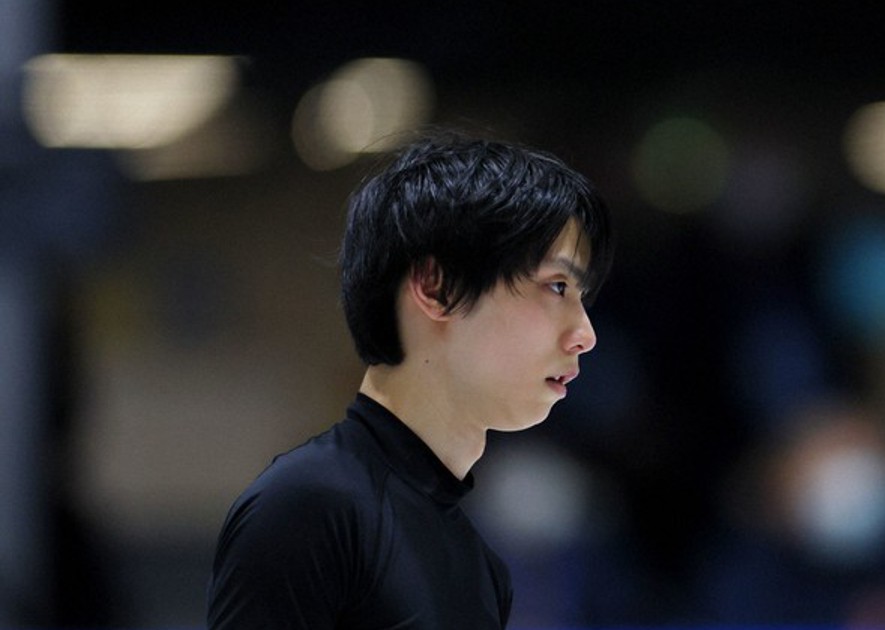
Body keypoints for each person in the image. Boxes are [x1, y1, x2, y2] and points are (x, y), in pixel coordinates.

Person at [206, 129, 614, 629]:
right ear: (436, 287)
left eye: (579, 296)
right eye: (556, 286)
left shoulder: (478, 563)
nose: (584, 334)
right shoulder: (307, 507)